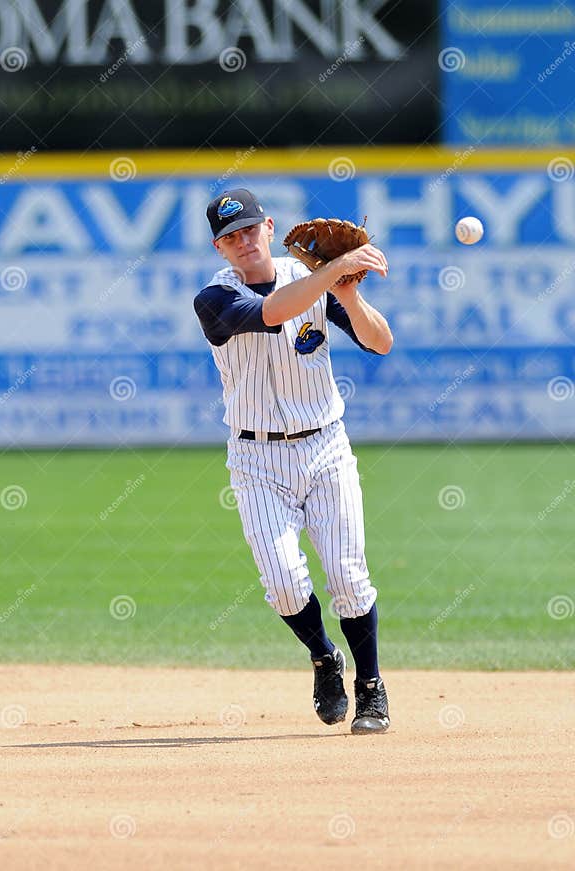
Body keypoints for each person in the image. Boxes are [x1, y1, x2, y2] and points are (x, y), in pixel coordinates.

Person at [194, 189, 394, 734]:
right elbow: (275, 311)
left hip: (325, 447)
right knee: (282, 582)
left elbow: (380, 342)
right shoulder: (215, 297)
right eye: (230, 236)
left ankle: (371, 687)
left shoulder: (315, 278)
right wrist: (334, 272)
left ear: (269, 227)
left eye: (250, 229)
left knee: (350, 577)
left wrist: (349, 293)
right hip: (257, 457)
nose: (243, 242)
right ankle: (325, 657)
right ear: (220, 246)